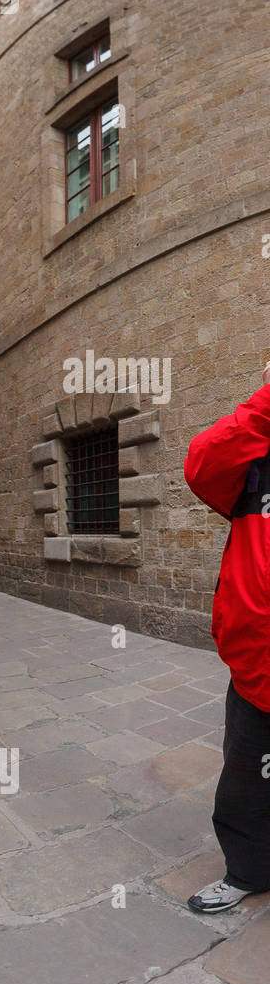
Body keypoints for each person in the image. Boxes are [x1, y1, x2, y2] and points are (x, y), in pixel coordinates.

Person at [183, 358, 270, 912]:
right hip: (256, 664)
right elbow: (201, 465)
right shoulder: (252, 458)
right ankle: (246, 871)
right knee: (244, 776)